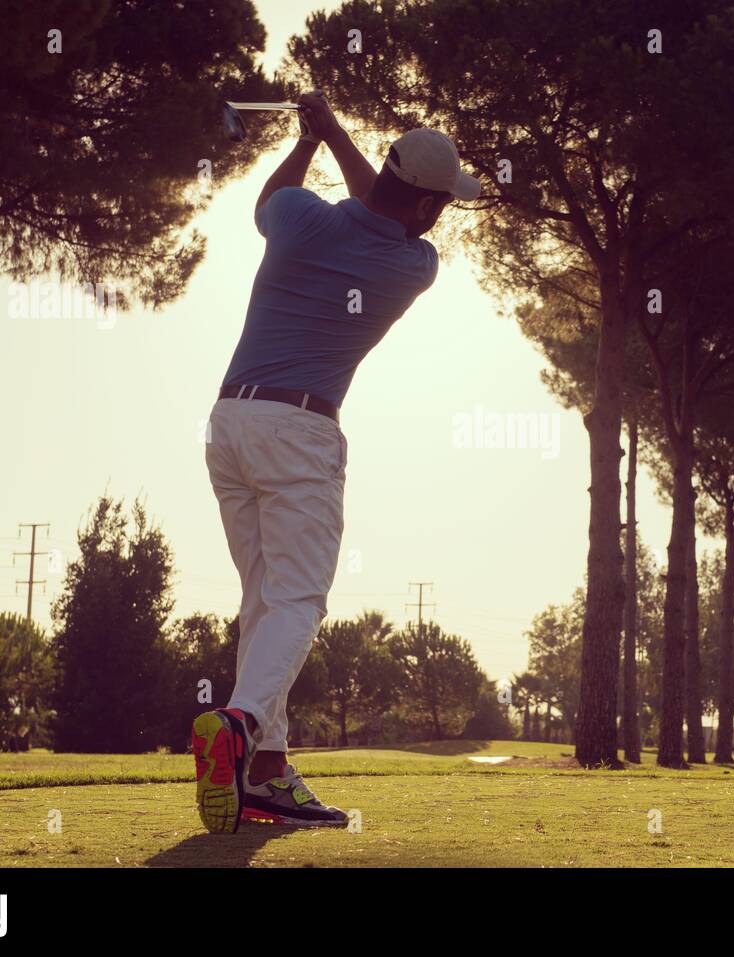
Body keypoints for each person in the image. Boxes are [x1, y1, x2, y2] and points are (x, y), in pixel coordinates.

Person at [191, 91, 481, 832]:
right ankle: (240, 723)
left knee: (263, 599)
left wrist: (312, 139)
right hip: (301, 427)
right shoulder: (413, 263)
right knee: (299, 601)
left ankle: (267, 771)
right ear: (429, 209)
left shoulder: (298, 219)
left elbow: (280, 197)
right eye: (443, 204)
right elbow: (385, 207)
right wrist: (334, 134)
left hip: (230, 422)